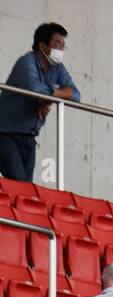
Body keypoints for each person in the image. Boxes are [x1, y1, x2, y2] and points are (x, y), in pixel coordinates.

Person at [0, 22, 79, 182]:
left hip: (29, 137)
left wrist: (49, 98)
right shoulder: (26, 62)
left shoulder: (58, 68)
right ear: (43, 46)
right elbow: (34, 89)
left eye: (63, 46)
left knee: (26, 192)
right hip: (5, 133)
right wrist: (50, 96)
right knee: (20, 185)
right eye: (58, 44)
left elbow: (75, 94)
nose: (61, 50)